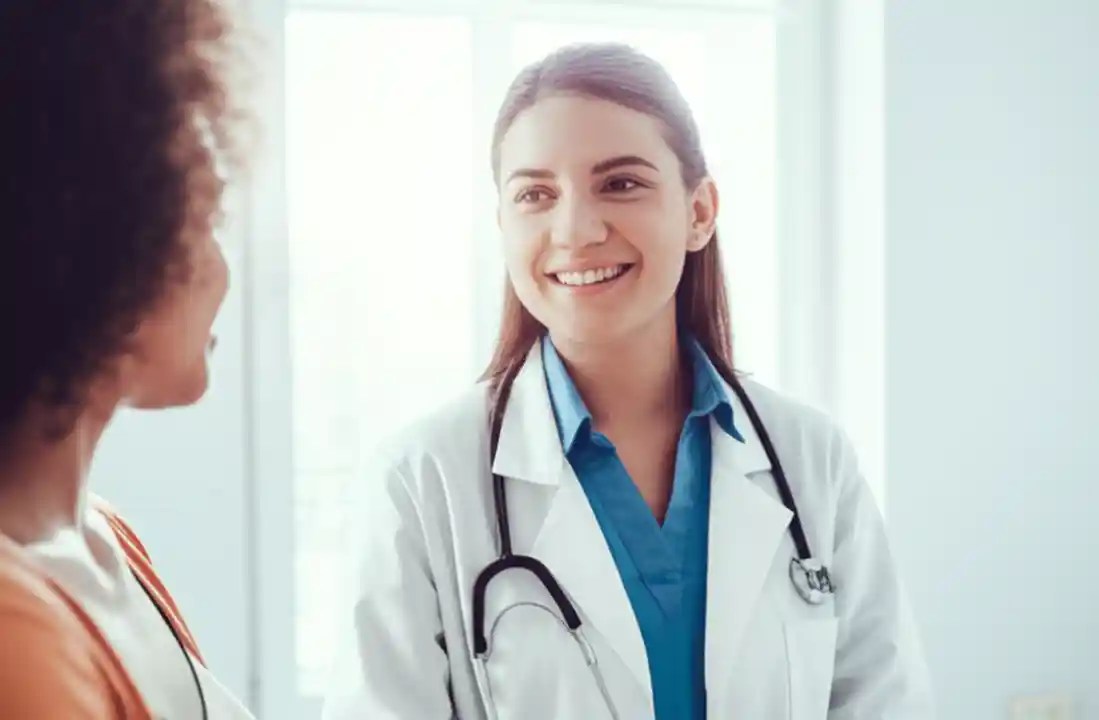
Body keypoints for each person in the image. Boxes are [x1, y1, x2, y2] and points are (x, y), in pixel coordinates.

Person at [325, 43, 932, 719]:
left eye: (620, 183)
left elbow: (886, 702)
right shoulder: (421, 480)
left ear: (699, 212)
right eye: (535, 194)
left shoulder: (811, 458)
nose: (576, 229)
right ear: (503, 225)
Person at [0, 2, 254, 718]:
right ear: (107, 247)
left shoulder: (107, 536)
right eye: (206, 220)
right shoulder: (13, 637)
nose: (222, 270)